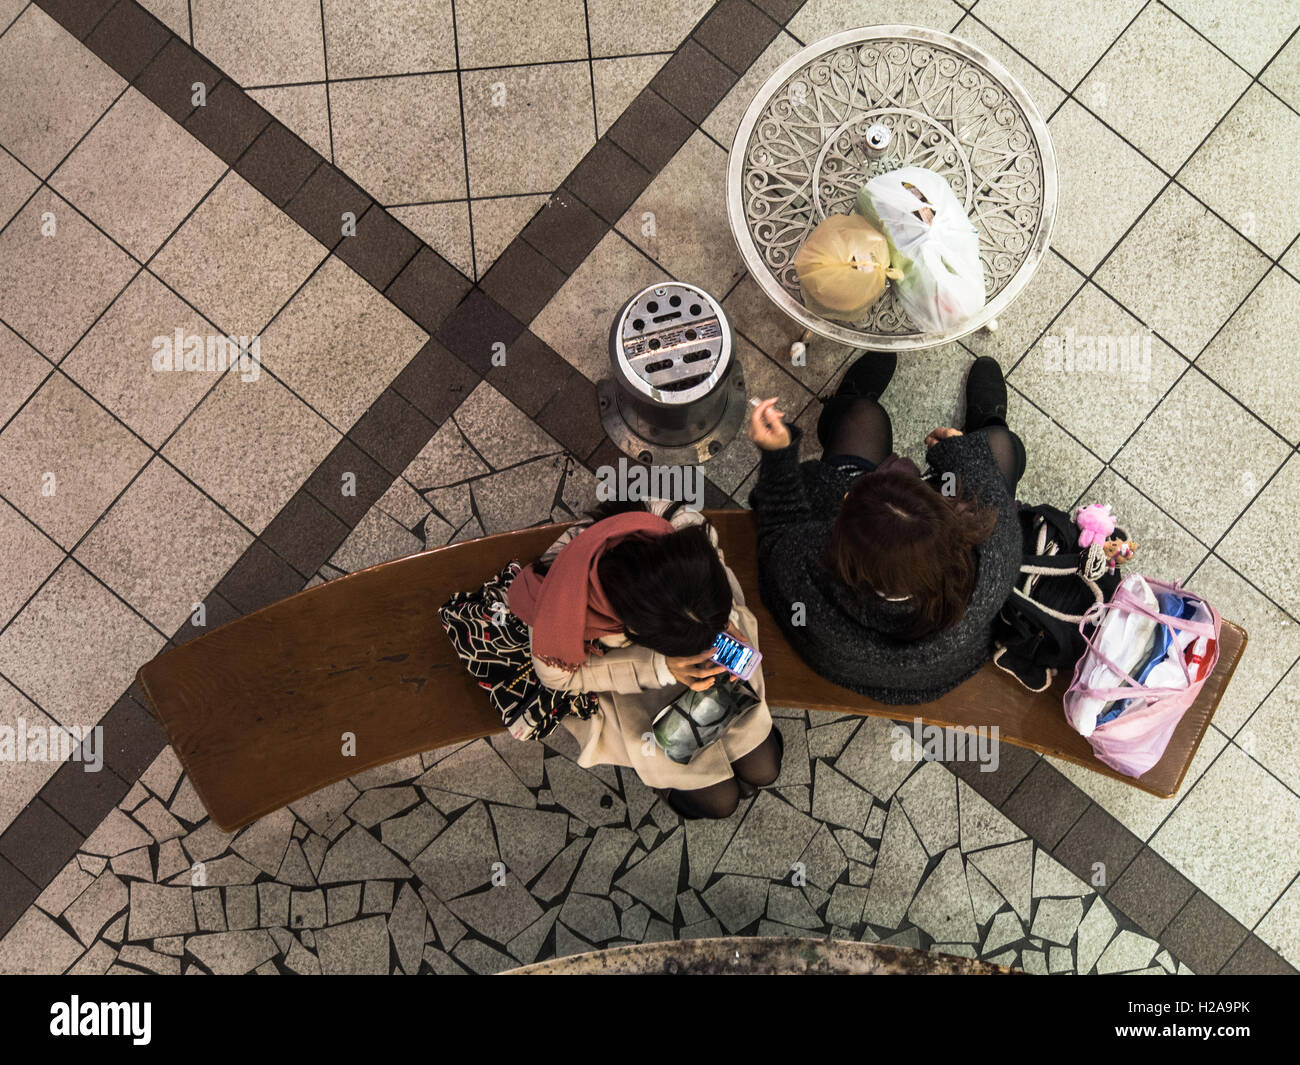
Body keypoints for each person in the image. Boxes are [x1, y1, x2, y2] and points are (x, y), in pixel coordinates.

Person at [747, 354, 1024, 704]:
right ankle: (988, 421)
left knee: (861, 417)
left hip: (845, 659)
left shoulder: (806, 579)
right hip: (943, 666)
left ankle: (846, 404)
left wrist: (779, 454)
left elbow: (777, 528)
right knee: (1000, 444)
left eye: (848, 497)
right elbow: (996, 501)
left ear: (841, 552)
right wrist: (961, 453)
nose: (847, 492)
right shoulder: (993, 561)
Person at [506, 499, 782, 819]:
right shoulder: (558, 609)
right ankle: (664, 782)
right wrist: (660, 666)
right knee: (723, 801)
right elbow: (557, 677)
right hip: (630, 679)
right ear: (634, 630)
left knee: (764, 770)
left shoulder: (677, 524)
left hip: (674, 644)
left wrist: (723, 620)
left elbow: (713, 559)